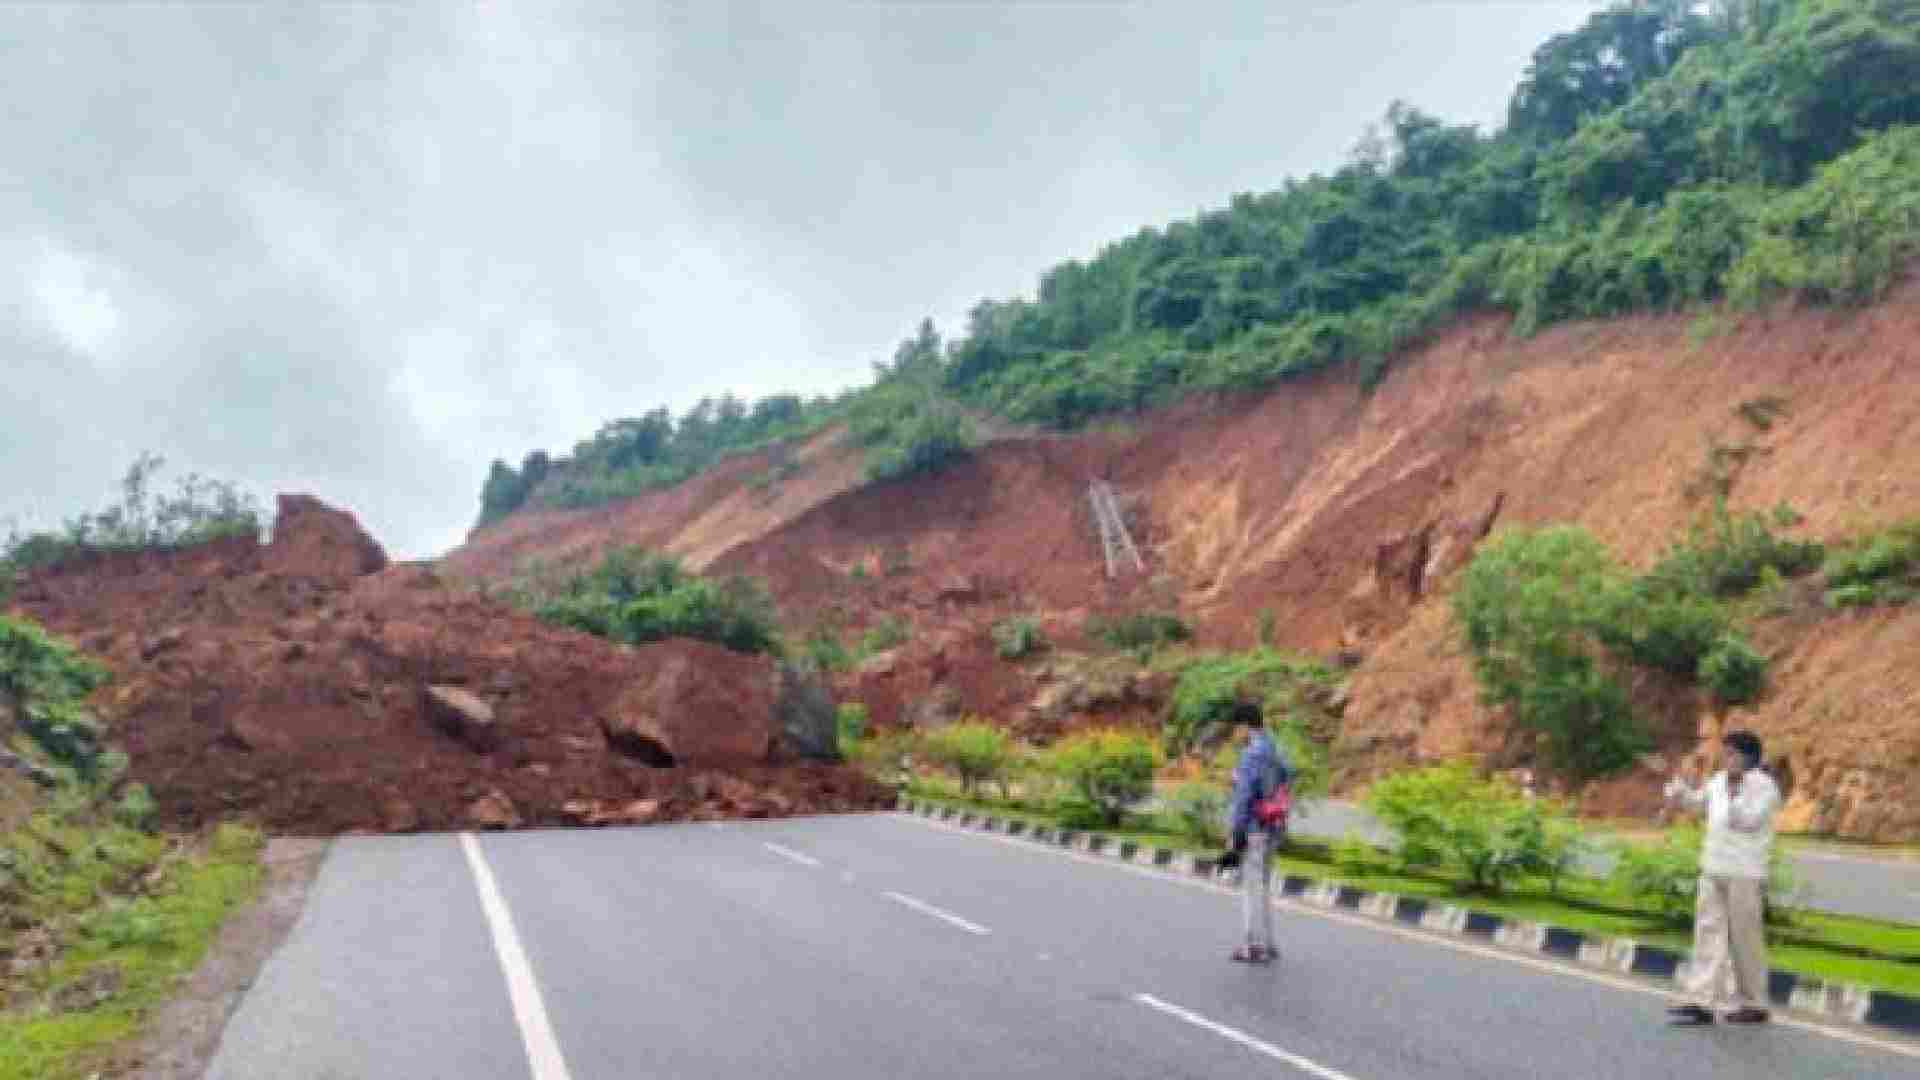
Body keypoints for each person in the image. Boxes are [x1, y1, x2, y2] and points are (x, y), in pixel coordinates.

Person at [1662, 728, 1782, 1026]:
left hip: (1745, 872)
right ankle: (1700, 1000)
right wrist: (1680, 794)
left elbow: (1747, 821)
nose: (1725, 759)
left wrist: (1734, 792)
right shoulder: (1717, 782)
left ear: (1748, 757)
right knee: (1707, 934)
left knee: (1744, 940)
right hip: (1713, 867)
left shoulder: (1764, 787)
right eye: (1725, 753)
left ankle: (1754, 1003)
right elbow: (1700, 805)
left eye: (1731, 754)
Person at [1219, 701, 1292, 965]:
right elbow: (1288, 774)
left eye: (1236, 728)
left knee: (1251, 888)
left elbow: (1244, 797)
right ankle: (1269, 944)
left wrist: (1234, 831)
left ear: (1245, 726)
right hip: (1274, 825)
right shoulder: (1275, 747)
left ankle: (1253, 946)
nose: (1235, 734)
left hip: (1254, 827)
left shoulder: (1251, 754)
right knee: (1263, 886)